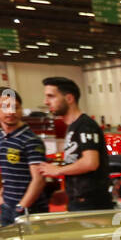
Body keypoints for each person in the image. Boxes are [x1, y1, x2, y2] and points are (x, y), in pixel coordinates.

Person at [34, 77, 112, 212]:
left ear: (69, 98)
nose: (46, 102)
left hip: (91, 205)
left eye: (51, 96)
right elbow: (77, 163)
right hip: (80, 202)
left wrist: (57, 170)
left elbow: (90, 163)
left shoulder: (85, 125)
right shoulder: (73, 126)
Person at [0, 88, 48, 226]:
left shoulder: (31, 140)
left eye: (15, 107)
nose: (11, 112)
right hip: (7, 207)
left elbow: (39, 180)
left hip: (30, 210)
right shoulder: (0, 138)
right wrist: (1, 196)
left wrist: (21, 207)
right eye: (4, 107)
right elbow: (7, 171)